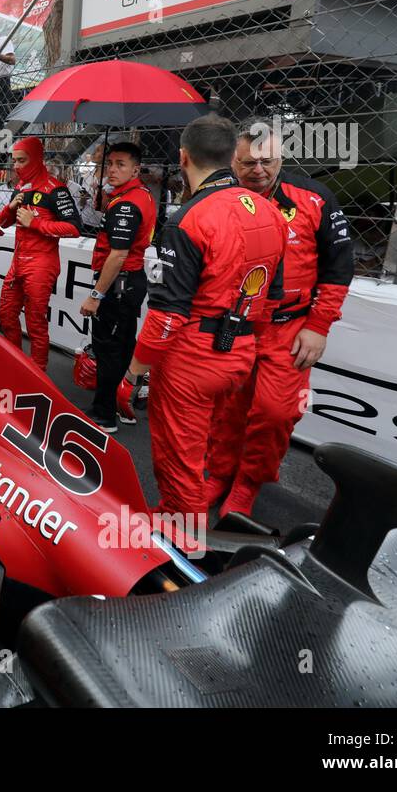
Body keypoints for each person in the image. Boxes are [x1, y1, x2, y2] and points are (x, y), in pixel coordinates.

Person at [125, 116, 288, 548]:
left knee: (181, 461)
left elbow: (166, 316)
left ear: (183, 158)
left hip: (193, 358)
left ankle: (185, 552)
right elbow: (274, 296)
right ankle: (181, 518)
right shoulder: (270, 210)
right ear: (231, 158)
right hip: (243, 350)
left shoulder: (188, 219)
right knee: (207, 448)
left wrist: (133, 373)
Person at [204, 124, 354, 517]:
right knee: (227, 406)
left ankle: (248, 483)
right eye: (248, 162)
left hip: (288, 327)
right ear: (232, 161)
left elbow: (339, 268)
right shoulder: (215, 198)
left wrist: (318, 325)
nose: (258, 170)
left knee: (275, 412)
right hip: (233, 323)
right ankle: (219, 473)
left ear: (281, 159)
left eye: (266, 161)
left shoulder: (314, 198)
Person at [79, 143, 157, 433]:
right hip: (130, 281)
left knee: (109, 348)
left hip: (118, 282)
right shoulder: (136, 196)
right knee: (123, 346)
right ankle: (120, 405)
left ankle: (104, 414)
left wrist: (96, 295)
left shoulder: (126, 203)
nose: (112, 169)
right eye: (109, 163)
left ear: (136, 169)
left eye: (120, 164)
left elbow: (118, 254)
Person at [0, 136, 82, 370]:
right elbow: (3, 225)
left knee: (35, 323)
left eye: (21, 160)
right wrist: (9, 209)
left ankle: (38, 374)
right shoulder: (19, 188)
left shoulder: (56, 190)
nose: (16, 166)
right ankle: (15, 366)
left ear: (37, 159)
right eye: (14, 161)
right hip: (18, 261)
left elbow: (74, 228)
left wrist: (36, 224)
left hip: (42, 263)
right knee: (6, 314)